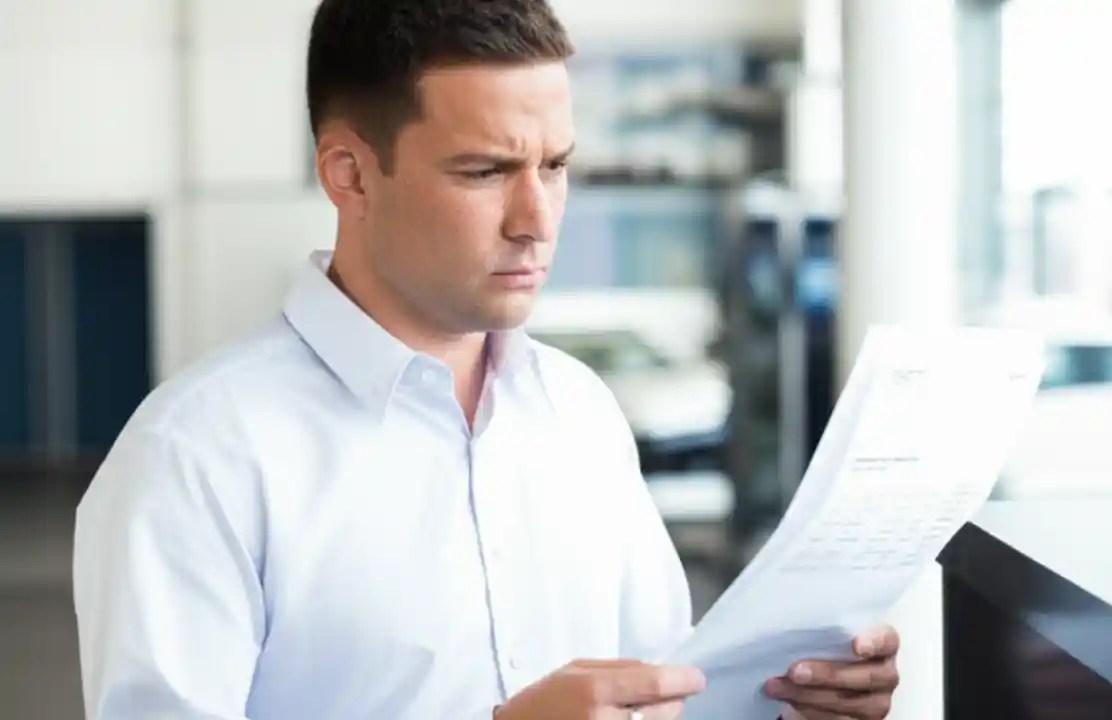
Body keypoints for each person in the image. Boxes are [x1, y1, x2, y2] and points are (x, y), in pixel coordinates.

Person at [72, 1, 901, 718]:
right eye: (485, 171)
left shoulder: (580, 414)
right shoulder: (195, 458)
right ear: (350, 174)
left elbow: (664, 695)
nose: (536, 219)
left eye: (556, 166)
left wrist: (792, 704)